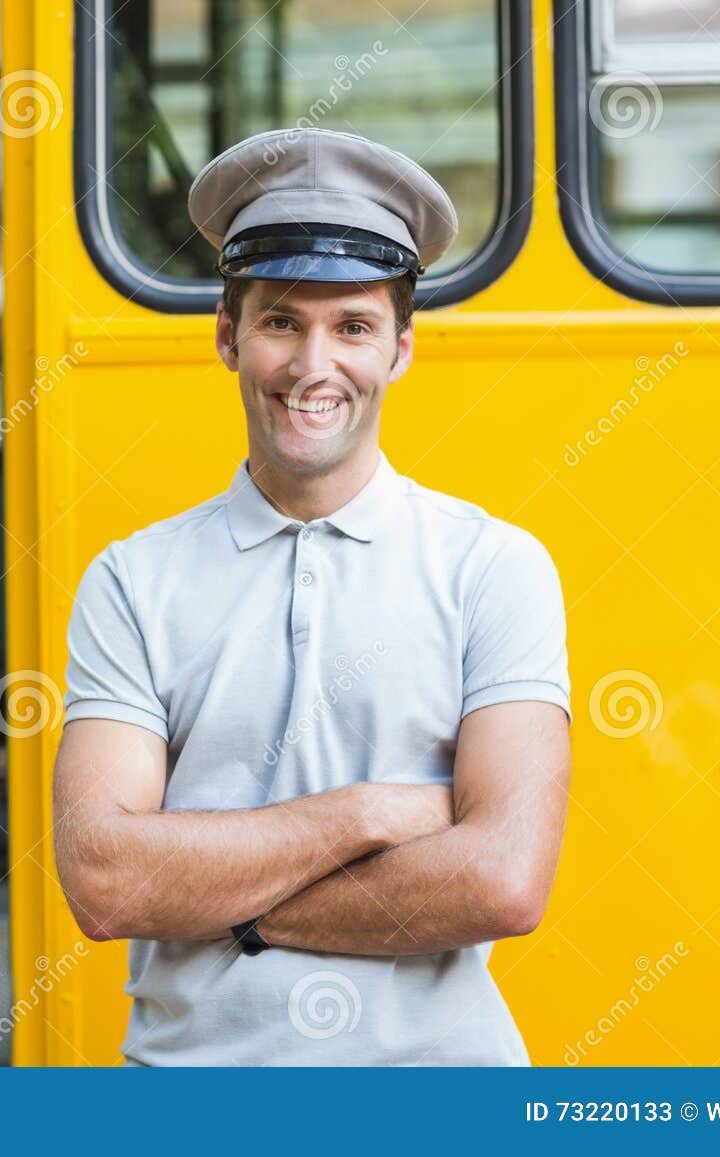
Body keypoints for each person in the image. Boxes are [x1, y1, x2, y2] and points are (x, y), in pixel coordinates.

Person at [51, 127, 572, 1066]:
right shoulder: (131, 580)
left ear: (402, 349)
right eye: (282, 321)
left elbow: (502, 881)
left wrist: (231, 909)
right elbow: (106, 882)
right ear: (228, 335)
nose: (312, 366)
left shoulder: (497, 566)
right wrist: (369, 816)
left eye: (354, 327)